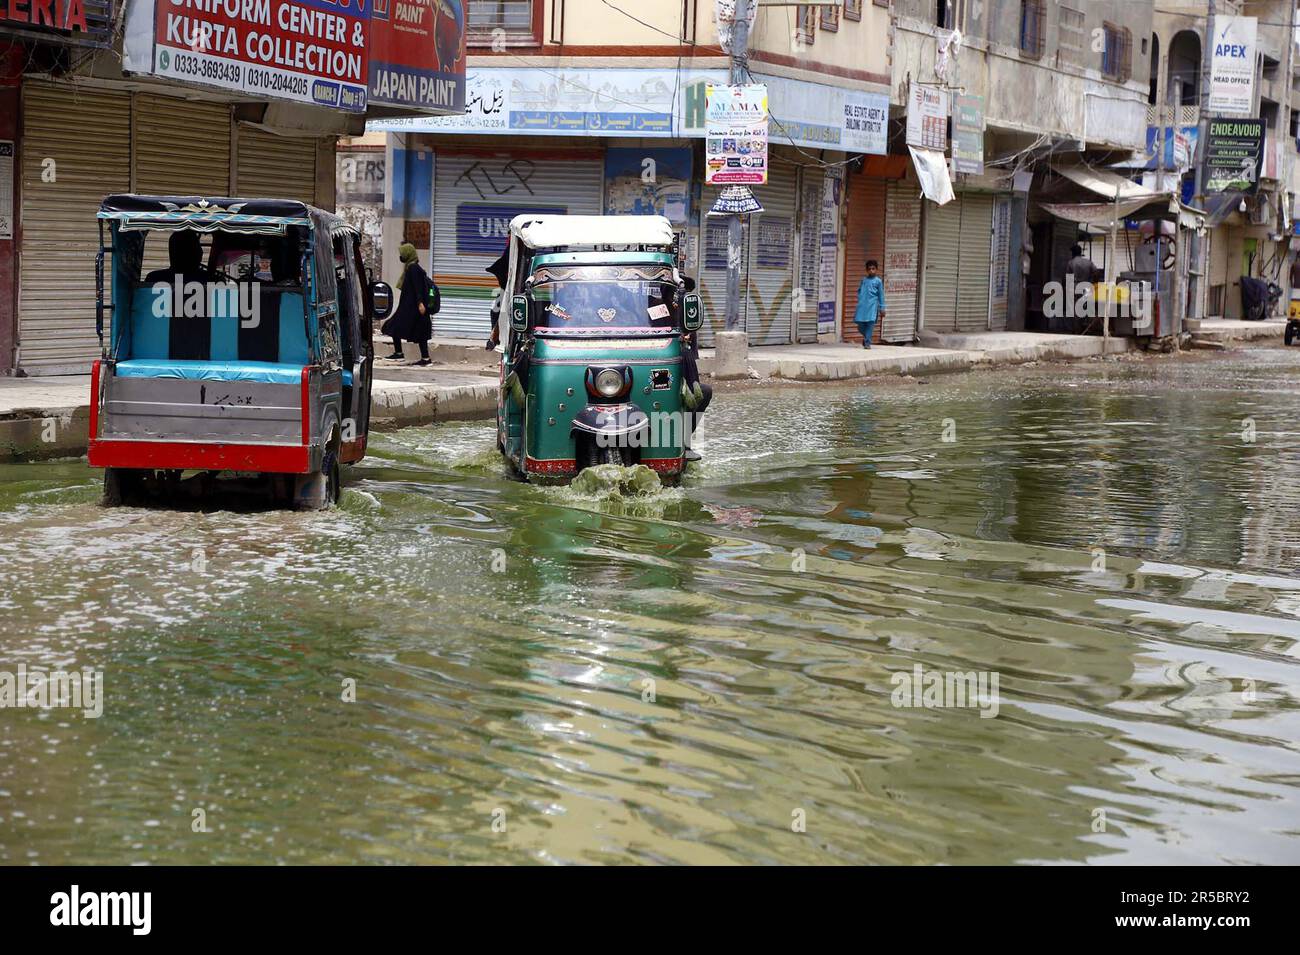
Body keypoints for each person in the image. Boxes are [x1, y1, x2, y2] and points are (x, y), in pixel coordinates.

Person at [382, 243, 433, 365]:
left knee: (392, 326)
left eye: (403, 254)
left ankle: (402, 354)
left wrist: (420, 303)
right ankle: (423, 358)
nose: (401, 256)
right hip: (411, 307)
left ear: (408, 254)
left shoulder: (413, 269)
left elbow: (417, 287)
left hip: (412, 307)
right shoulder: (412, 267)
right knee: (418, 331)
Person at [853, 259, 886, 348]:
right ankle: (866, 337)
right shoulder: (864, 280)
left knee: (870, 324)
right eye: (869, 269)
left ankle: (867, 342)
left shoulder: (878, 281)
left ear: (876, 269)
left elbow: (881, 295)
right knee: (860, 326)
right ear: (867, 270)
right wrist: (860, 298)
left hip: (872, 306)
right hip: (862, 306)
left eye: (873, 269)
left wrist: (882, 308)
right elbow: (860, 290)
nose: (871, 271)